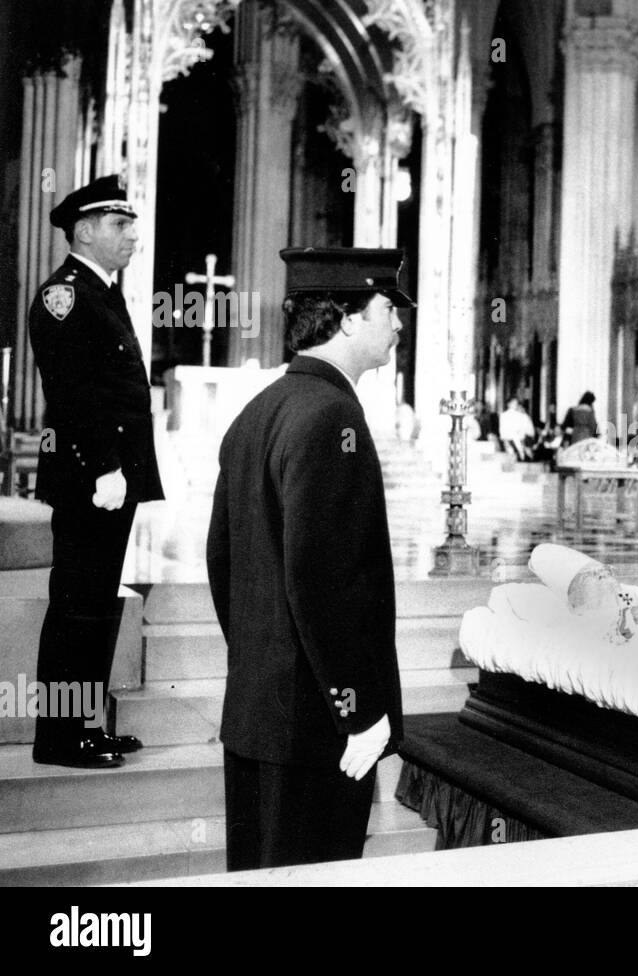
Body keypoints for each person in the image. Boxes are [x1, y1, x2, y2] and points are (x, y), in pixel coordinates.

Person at [206, 246, 408, 869]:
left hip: (257, 717)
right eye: (387, 308)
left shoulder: (256, 412)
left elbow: (221, 564)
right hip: (317, 730)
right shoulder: (332, 416)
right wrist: (360, 709)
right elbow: (324, 582)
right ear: (346, 318)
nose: (399, 324)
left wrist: (263, 665)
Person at [28, 175, 164, 769]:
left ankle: (86, 722)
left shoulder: (102, 291)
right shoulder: (65, 296)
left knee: (97, 601)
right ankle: (60, 737)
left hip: (115, 478)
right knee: (77, 604)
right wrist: (105, 469)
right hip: (94, 478)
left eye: (131, 222)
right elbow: (74, 393)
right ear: (83, 231)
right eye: (118, 224)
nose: (132, 233)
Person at [499, 396, 536, 461]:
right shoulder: (503, 415)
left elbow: (523, 429)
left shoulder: (520, 415)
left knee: (521, 455)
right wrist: (505, 440)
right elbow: (502, 429)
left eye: (516, 403)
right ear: (509, 404)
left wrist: (522, 439)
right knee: (511, 455)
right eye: (513, 403)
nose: (515, 405)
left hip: (519, 439)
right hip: (508, 438)